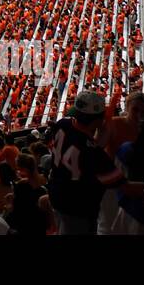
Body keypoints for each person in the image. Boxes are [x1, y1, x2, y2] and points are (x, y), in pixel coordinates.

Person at [46, 90, 130, 234]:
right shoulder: (95, 155)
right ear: (99, 120)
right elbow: (125, 187)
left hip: (56, 194)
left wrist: (98, 141)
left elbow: (81, 149)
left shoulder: (62, 124)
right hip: (78, 208)